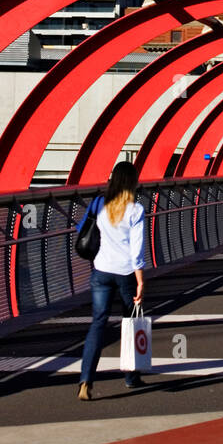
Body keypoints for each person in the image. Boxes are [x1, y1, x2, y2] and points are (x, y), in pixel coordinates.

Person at [77, 161, 145, 401]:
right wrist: (140, 280)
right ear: (132, 182)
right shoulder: (135, 210)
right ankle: (130, 376)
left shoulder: (99, 204)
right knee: (130, 322)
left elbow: (80, 229)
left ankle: (86, 380)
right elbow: (136, 250)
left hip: (101, 270)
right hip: (125, 272)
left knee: (98, 322)